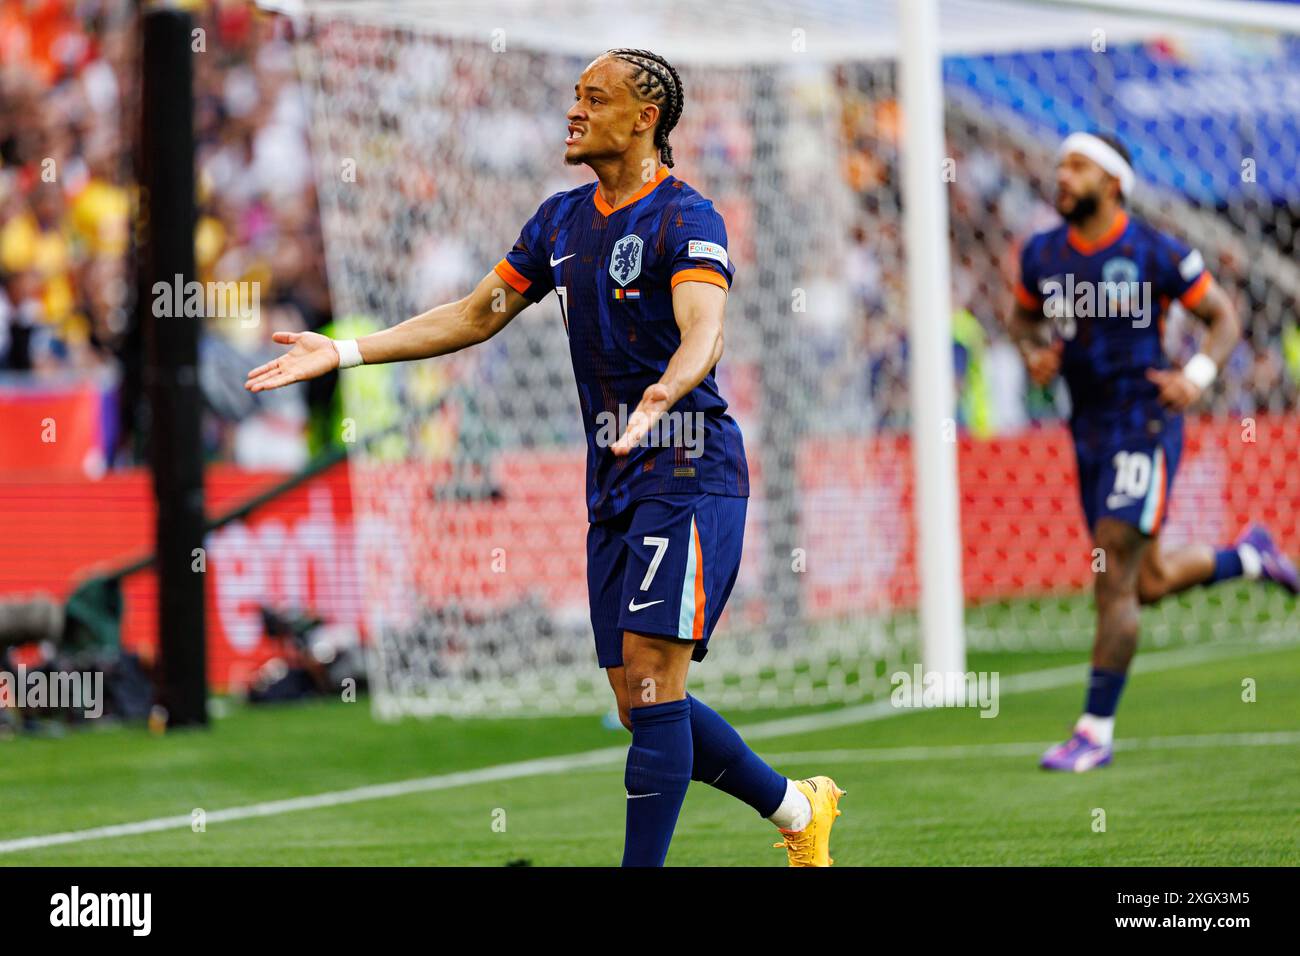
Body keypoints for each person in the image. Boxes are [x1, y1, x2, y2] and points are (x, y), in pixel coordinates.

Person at [247, 48, 844, 864]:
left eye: (594, 99)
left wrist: (666, 393)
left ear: (645, 119)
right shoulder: (561, 220)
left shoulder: (686, 217)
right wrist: (346, 352)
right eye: (574, 95)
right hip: (615, 481)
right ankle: (797, 811)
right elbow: (475, 313)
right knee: (640, 702)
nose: (574, 111)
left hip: (688, 466)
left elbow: (704, 327)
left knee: (652, 682)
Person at [1009, 132, 1298, 772]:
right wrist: (1034, 354)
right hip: (1085, 429)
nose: (1062, 176)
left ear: (1113, 183)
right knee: (1149, 582)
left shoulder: (1156, 250)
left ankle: (1094, 731)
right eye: (1059, 165)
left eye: (1077, 166)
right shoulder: (1040, 254)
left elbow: (1223, 318)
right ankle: (1250, 556)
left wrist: (1196, 376)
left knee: (1112, 574)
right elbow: (1021, 318)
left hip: (1145, 423)